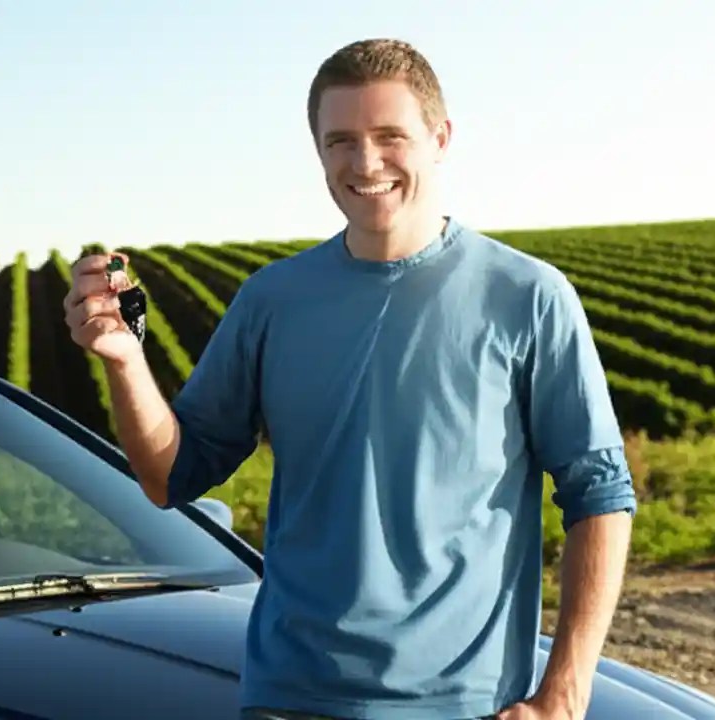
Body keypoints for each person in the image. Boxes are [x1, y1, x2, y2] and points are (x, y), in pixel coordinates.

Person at [63, 37, 637, 720]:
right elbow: (171, 476)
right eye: (341, 142)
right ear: (318, 151)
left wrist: (564, 693)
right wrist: (126, 363)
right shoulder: (272, 300)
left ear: (440, 139)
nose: (365, 163)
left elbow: (600, 492)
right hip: (291, 697)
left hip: (465, 703)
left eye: (390, 136)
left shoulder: (526, 296)